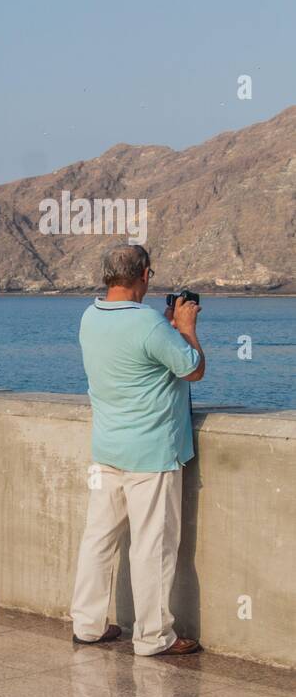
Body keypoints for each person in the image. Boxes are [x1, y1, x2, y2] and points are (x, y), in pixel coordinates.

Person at [70, 245, 205, 657]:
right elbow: (193, 368)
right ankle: (153, 636)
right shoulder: (149, 323)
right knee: (152, 547)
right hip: (152, 452)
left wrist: (164, 330)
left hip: (108, 449)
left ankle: (88, 625)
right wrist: (183, 327)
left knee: (99, 539)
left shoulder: (90, 317)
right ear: (145, 275)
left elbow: (137, 355)